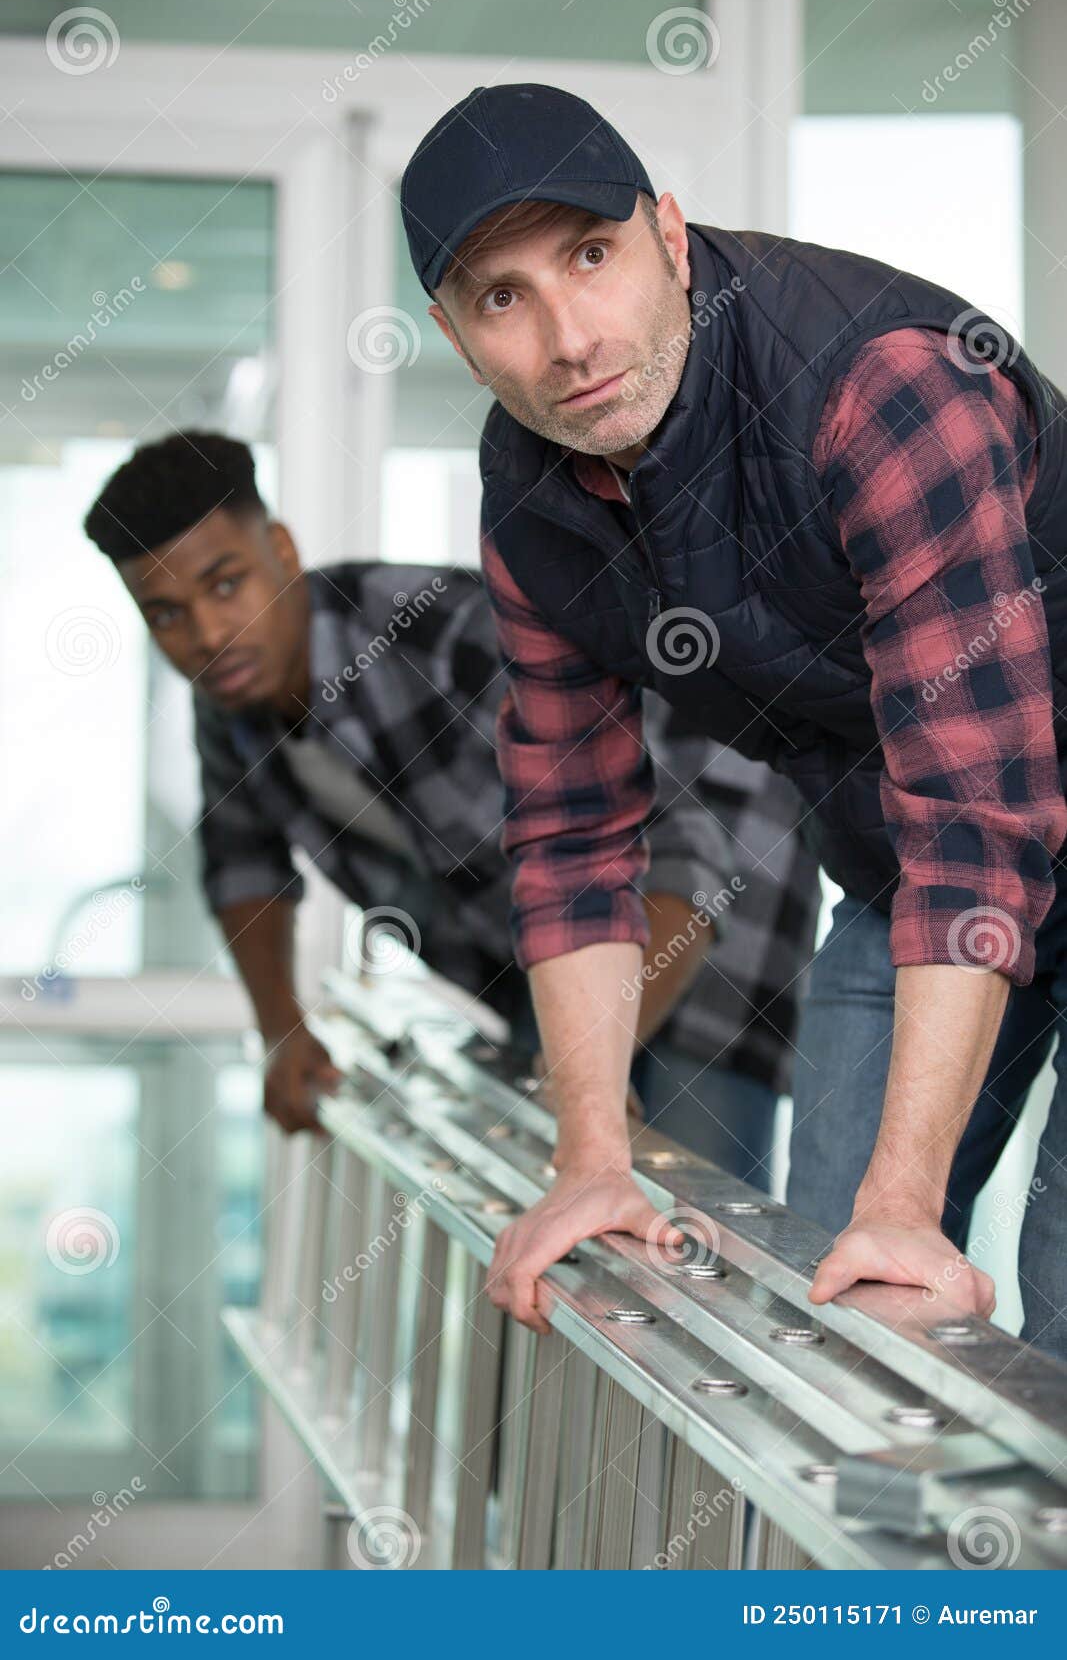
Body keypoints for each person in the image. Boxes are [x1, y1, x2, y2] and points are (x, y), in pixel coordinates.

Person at [400, 82, 1067, 1352]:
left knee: (1041, 1309)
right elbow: (572, 828)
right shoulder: (528, 497)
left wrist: (905, 1205)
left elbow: (974, 803)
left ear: (667, 234)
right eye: (502, 296)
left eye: (588, 257)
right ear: (449, 331)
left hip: (966, 826)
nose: (568, 338)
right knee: (826, 1317)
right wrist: (590, 1156)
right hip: (897, 872)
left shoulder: (881, 387)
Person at [82, 432, 820, 1182]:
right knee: (566, 1207)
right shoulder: (227, 703)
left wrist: (588, 1075)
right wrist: (283, 1032)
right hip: (561, 948)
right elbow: (244, 868)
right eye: (168, 615)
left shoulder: (443, 634)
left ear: (280, 549)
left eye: (226, 584)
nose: (208, 635)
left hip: (722, 893)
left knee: (694, 1225)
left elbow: (685, 845)